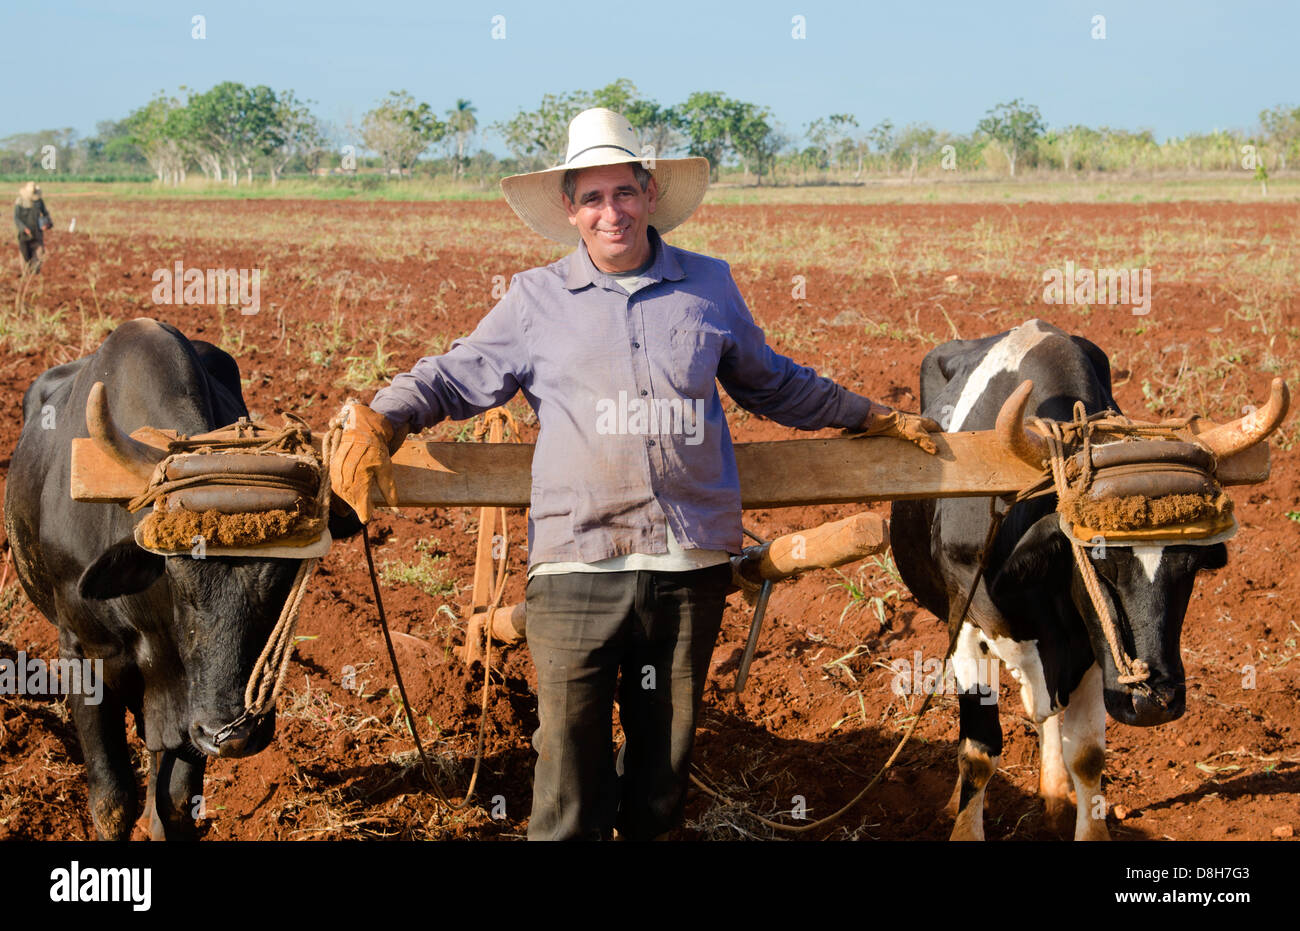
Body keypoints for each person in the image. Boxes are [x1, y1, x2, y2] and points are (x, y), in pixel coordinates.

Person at [330, 108, 941, 840]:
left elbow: (772, 381)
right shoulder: (534, 299)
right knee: (567, 780)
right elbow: (454, 377)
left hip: (689, 568)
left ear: (650, 193)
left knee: (662, 776)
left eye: (622, 192)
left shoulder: (708, 286)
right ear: (570, 210)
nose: (609, 212)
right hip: (575, 567)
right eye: (592, 198)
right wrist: (384, 416)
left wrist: (868, 415)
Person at [14, 181, 52, 274]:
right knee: (24, 257)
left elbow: (46, 215)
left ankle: (35, 276)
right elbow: (16, 218)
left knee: (38, 256)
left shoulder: (39, 202)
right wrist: (23, 228)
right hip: (24, 235)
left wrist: (47, 224)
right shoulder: (20, 201)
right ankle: (25, 275)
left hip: (37, 233)